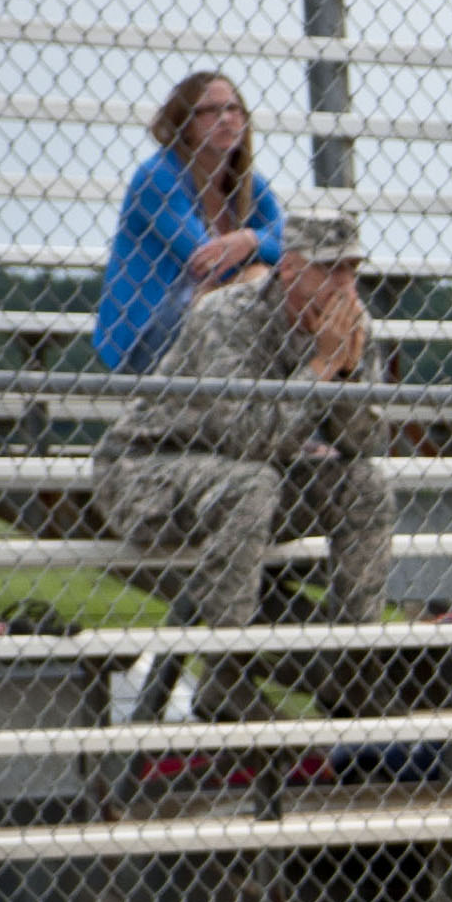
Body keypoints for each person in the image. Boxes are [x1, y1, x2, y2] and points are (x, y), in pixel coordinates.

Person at [89, 205, 391, 680]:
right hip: (147, 470)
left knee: (365, 485)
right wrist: (320, 368)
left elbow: (365, 441)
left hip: (251, 479)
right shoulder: (227, 315)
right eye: (329, 268)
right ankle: (227, 670)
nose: (344, 285)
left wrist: (347, 374)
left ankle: (356, 662)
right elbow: (246, 439)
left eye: (351, 269)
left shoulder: (350, 324)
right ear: (289, 268)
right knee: (251, 483)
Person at [96, 70, 284, 373]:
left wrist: (251, 240)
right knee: (259, 278)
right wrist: (256, 259)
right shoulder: (157, 177)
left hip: (222, 317)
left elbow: (291, 245)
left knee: (289, 288)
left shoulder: (250, 184)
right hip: (150, 333)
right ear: (184, 124)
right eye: (210, 111)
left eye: (233, 109)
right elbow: (204, 260)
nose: (225, 119)